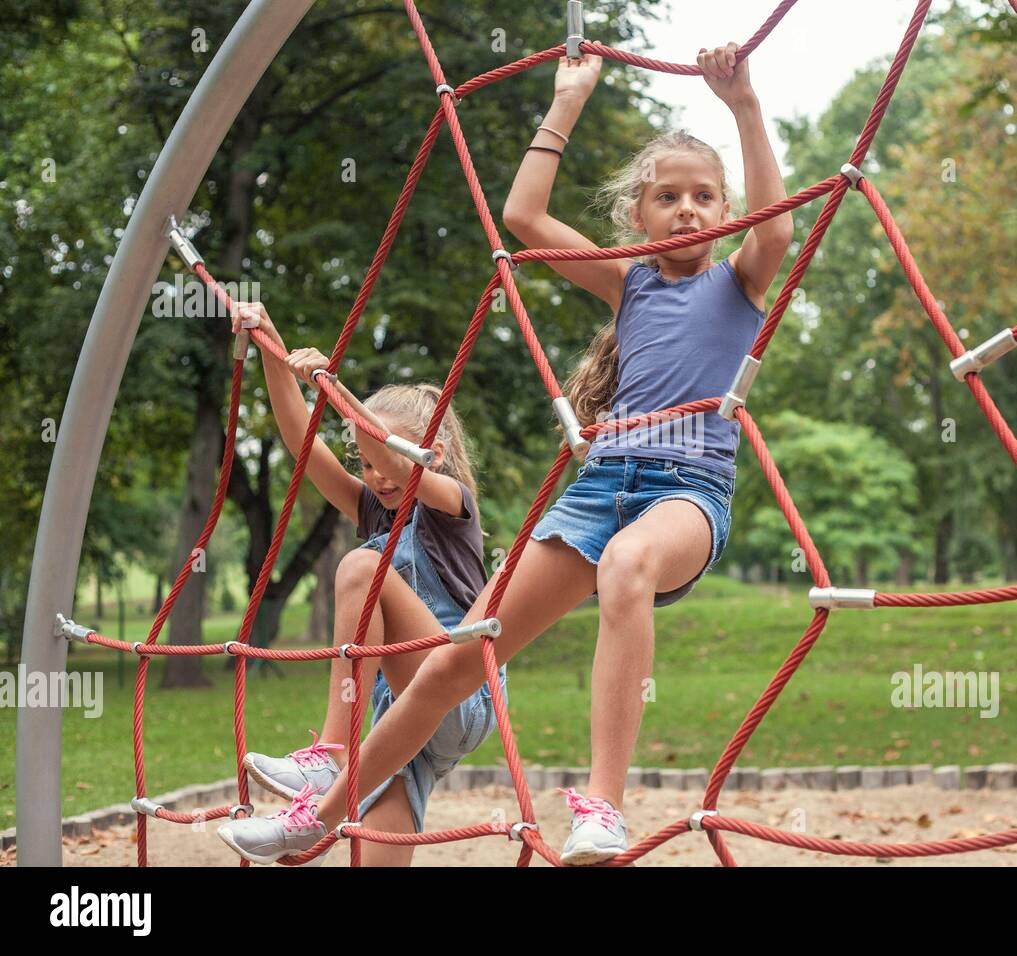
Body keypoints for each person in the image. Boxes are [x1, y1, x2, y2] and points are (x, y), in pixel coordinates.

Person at [217, 39, 791, 866]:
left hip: (686, 492)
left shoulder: (738, 282)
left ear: (725, 207)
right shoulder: (629, 282)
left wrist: (741, 103)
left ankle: (603, 805)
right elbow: (522, 219)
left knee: (628, 564)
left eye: (706, 197)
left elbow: (779, 226)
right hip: (600, 486)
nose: (690, 211)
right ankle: (324, 813)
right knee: (462, 656)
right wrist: (567, 100)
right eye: (668, 197)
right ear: (639, 214)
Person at [214, 302, 505, 866]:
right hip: (403, 713)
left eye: (382, 463)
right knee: (378, 828)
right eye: (363, 464)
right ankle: (344, 764)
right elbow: (304, 444)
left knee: (360, 567)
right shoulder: (375, 509)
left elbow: (408, 472)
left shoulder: (451, 507)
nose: (373, 477)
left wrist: (335, 389)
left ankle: (331, 751)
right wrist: (274, 350)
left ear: (432, 454)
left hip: (462, 690)